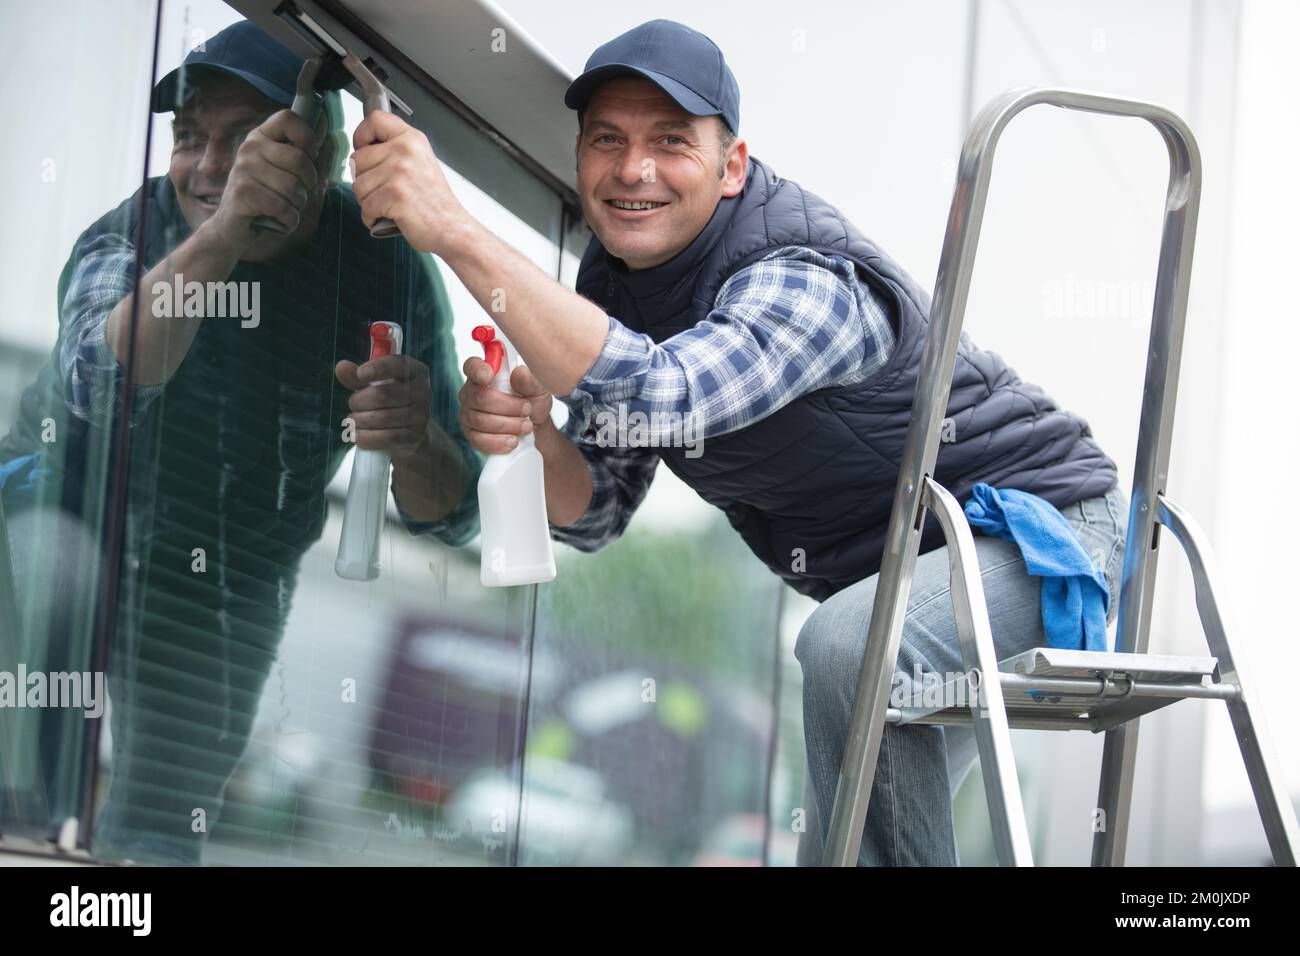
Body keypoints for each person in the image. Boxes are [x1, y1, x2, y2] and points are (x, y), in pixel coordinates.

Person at [347, 18, 1128, 865]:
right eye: (607, 139)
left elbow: (666, 393)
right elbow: (598, 507)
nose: (633, 168)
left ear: (733, 168)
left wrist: (454, 227)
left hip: (1045, 535)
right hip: (907, 579)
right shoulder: (616, 290)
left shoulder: (805, 273)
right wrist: (537, 437)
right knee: (842, 827)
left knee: (851, 647)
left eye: (671, 142)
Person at [0, 21, 480, 863]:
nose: (210, 166)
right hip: (65, 524)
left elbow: (452, 514)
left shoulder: (386, 266)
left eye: (247, 141)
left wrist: (413, 440)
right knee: (50, 613)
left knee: (155, 838)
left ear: (320, 155)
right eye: (191, 138)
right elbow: (98, 384)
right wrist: (225, 229)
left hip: (227, 579)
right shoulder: (133, 230)